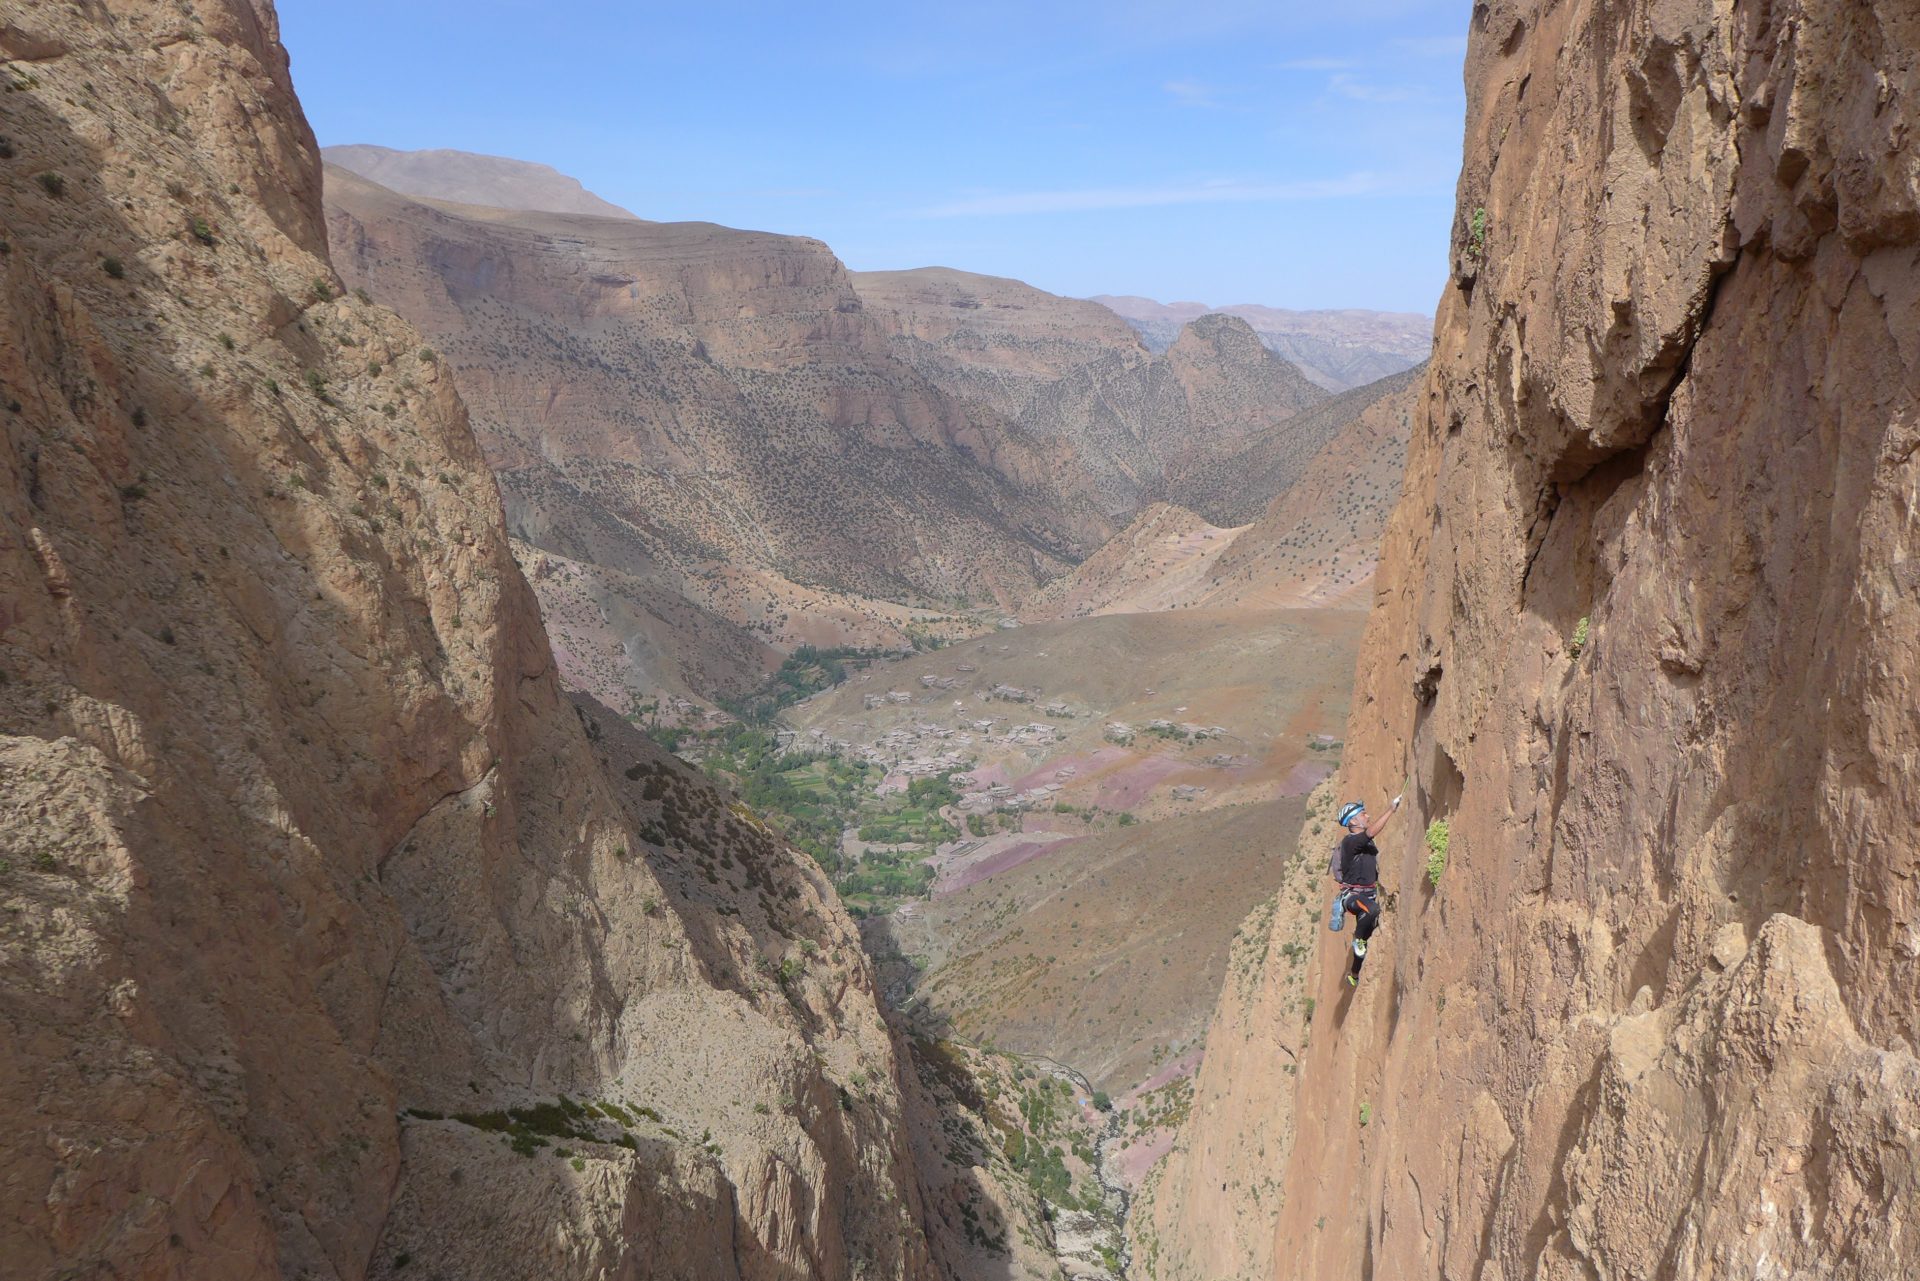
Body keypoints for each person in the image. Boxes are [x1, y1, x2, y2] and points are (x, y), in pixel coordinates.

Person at [1332, 794, 1401, 985]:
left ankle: (1354, 975)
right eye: (1363, 814)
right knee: (1372, 911)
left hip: (1368, 895)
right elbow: (1371, 832)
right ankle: (1358, 939)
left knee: (1368, 934)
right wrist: (1391, 810)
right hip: (1353, 897)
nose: (1367, 816)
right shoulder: (1351, 841)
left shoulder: (1364, 843)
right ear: (1353, 820)